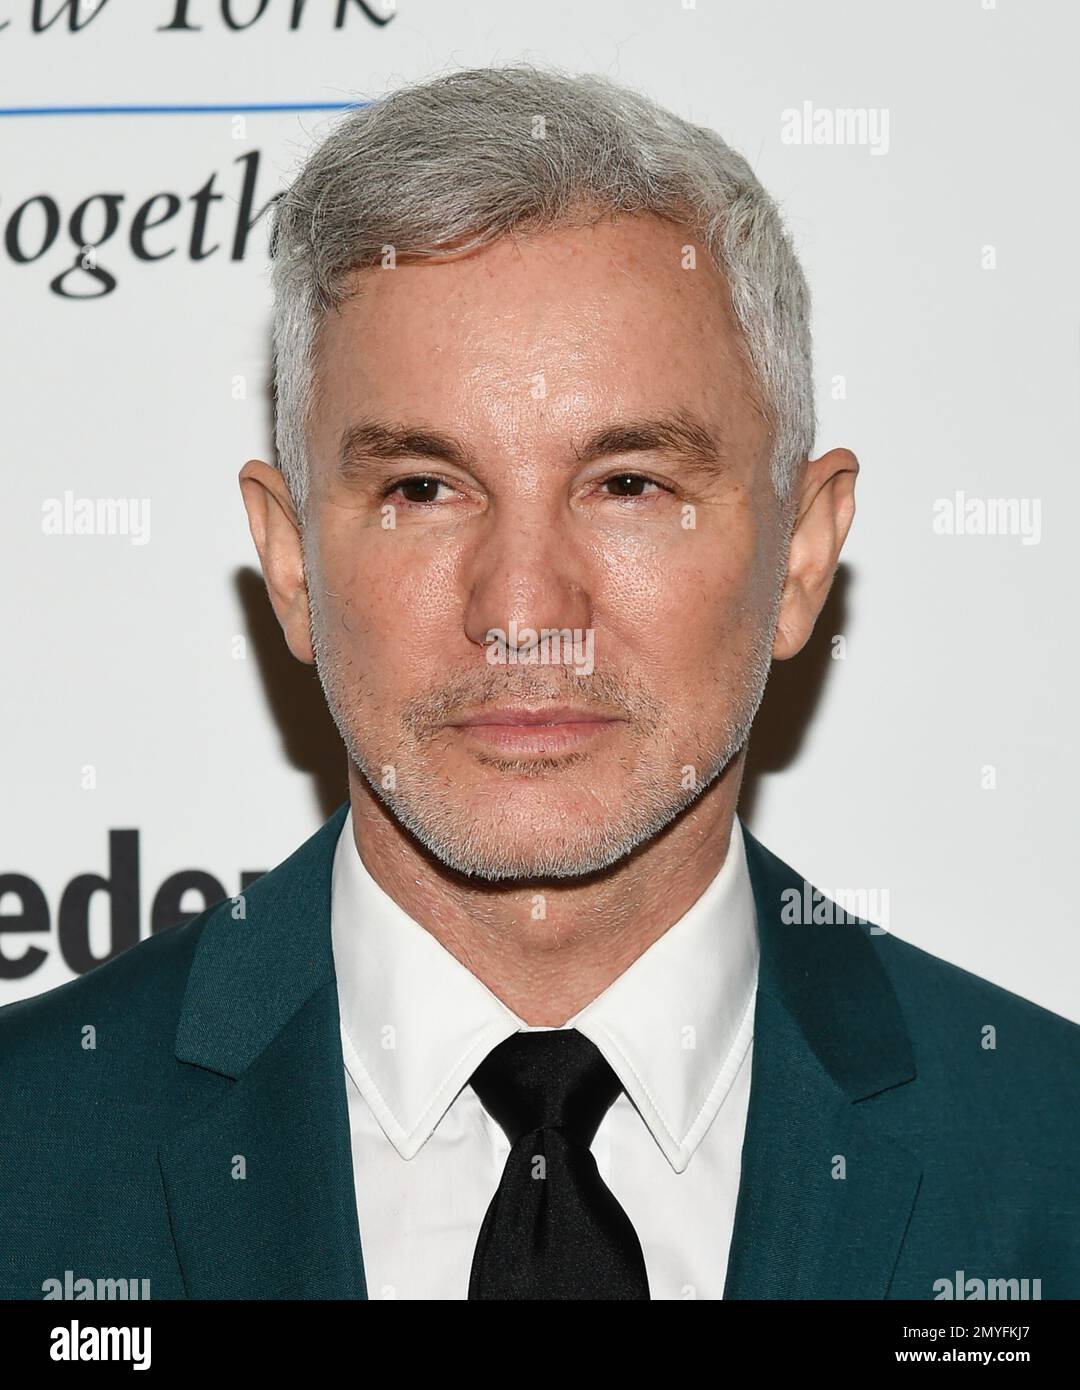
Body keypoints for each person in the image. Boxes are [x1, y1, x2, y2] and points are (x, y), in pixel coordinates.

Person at [2, 64, 1077, 1302]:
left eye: (629, 483)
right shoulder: (27, 1155)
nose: (521, 613)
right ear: (291, 564)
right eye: (421, 487)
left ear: (801, 552)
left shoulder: (1049, 1162)